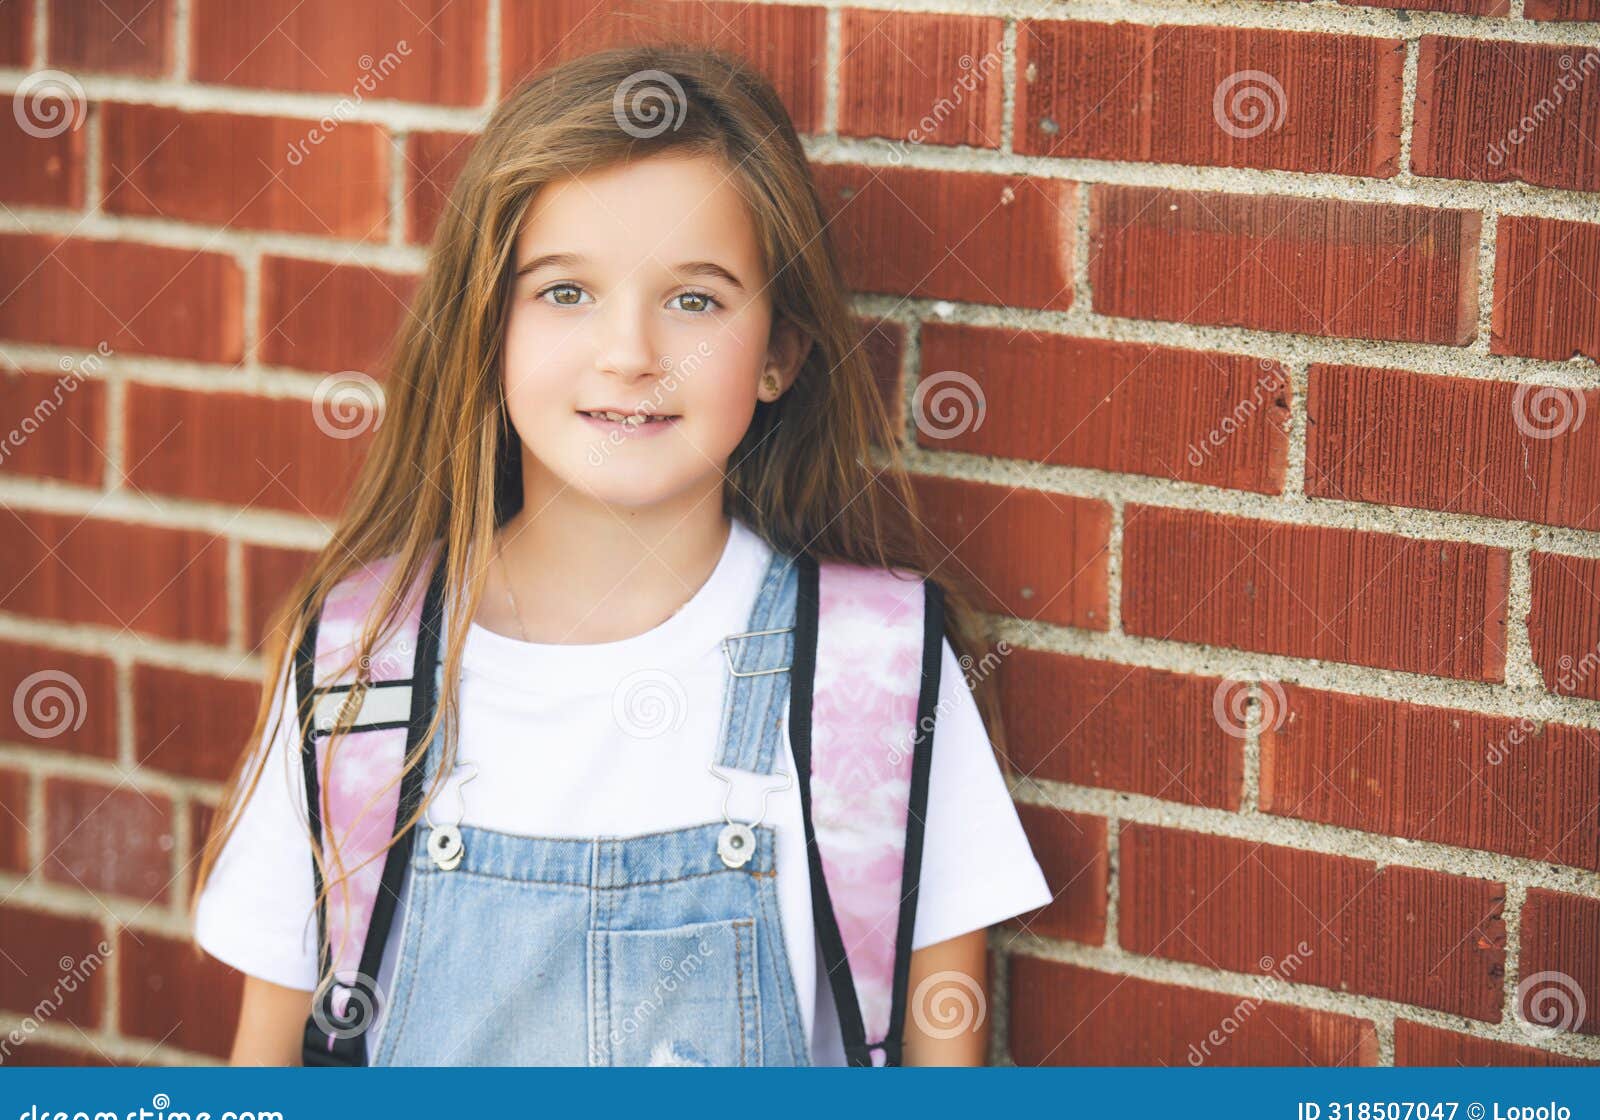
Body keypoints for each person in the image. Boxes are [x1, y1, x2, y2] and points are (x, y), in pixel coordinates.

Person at [189, 43, 1050, 1067]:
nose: (630, 351)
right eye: (565, 292)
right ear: (488, 328)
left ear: (778, 353)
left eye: (695, 299)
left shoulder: (874, 670)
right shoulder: (354, 663)